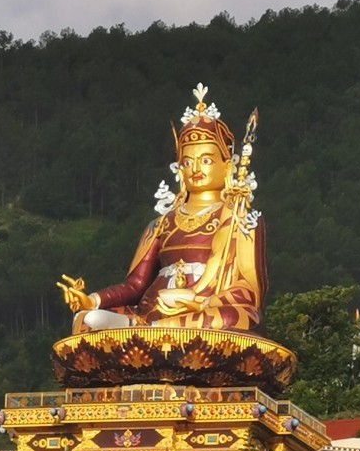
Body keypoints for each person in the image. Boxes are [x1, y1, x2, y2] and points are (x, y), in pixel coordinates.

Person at [58, 84, 265, 333]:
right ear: (179, 170)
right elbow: (135, 286)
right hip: (153, 308)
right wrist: (92, 300)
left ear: (228, 166)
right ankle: (141, 326)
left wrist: (198, 302)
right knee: (87, 319)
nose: (195, 169)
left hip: (202, 312)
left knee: (238, 316)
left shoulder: (240, 219)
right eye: (187, 162)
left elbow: (249, 290)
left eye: (206, 160)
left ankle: (151, 330)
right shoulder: (161, 224)